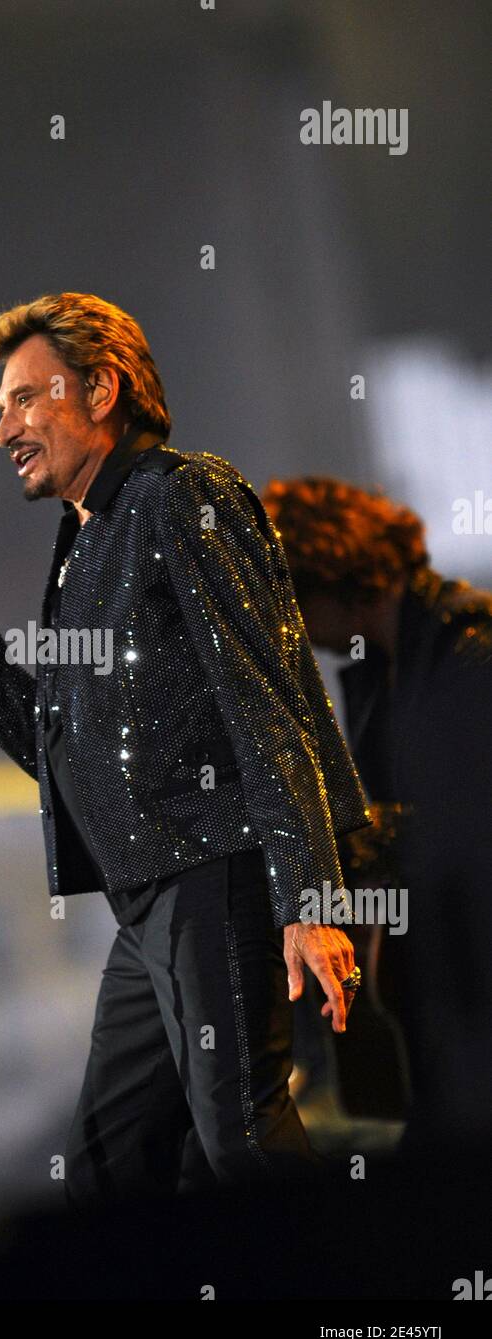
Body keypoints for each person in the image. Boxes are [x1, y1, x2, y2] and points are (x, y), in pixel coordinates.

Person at [0, 293, 370, 1203]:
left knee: (244, 1143)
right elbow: (61, 748)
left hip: (217, 873)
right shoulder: (86, 540)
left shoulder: (179, 496)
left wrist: (308, 897)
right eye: (2, 404)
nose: (2, 426)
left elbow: (269, 700)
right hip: (151, 901)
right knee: (110, 1165)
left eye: (24, 399)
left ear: (102, 390)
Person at [261, 476, 492, 1151]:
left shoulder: (469, 649)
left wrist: (348, 838)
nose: (289, 631)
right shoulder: (373, 670)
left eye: (289, 604)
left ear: (324, 574)